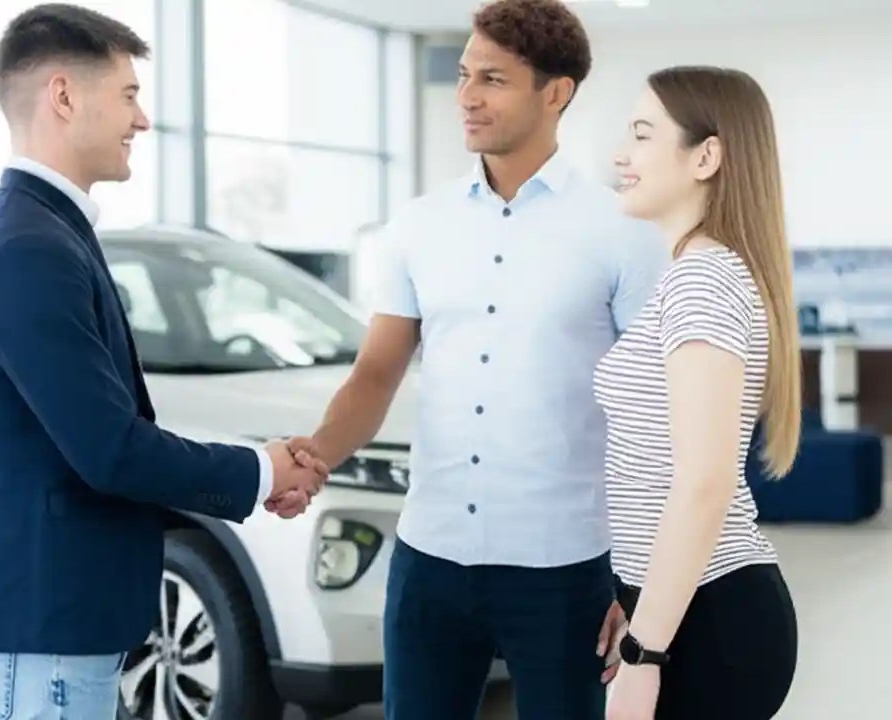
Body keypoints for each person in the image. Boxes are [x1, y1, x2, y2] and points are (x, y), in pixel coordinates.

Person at [0, 5, 326, 718]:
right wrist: (264, 470)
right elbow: (109, 450)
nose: (141, 120)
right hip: (41, 625)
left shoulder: (42, 232)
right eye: (128, 94)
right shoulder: (29, 247)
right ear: (64, 95)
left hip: (53, 621)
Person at [286, 0, 669, 716]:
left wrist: (642, 581)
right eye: (464, 75)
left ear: (556, 92)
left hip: (564, 569)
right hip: (431, 559)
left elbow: (656, 418)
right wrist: (315, 456)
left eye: (491, 79)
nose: (466, 96)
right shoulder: (419, 226)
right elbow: (376, 374)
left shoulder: (623, 231)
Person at [596, 65, 800, 720]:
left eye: (643, 134)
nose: (620, 156)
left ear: (705, 155)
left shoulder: (703, 280)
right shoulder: (693, 270)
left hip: (711, 617)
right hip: (681, 604)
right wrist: (634, 598)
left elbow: (703, 481)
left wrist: (645, 655)